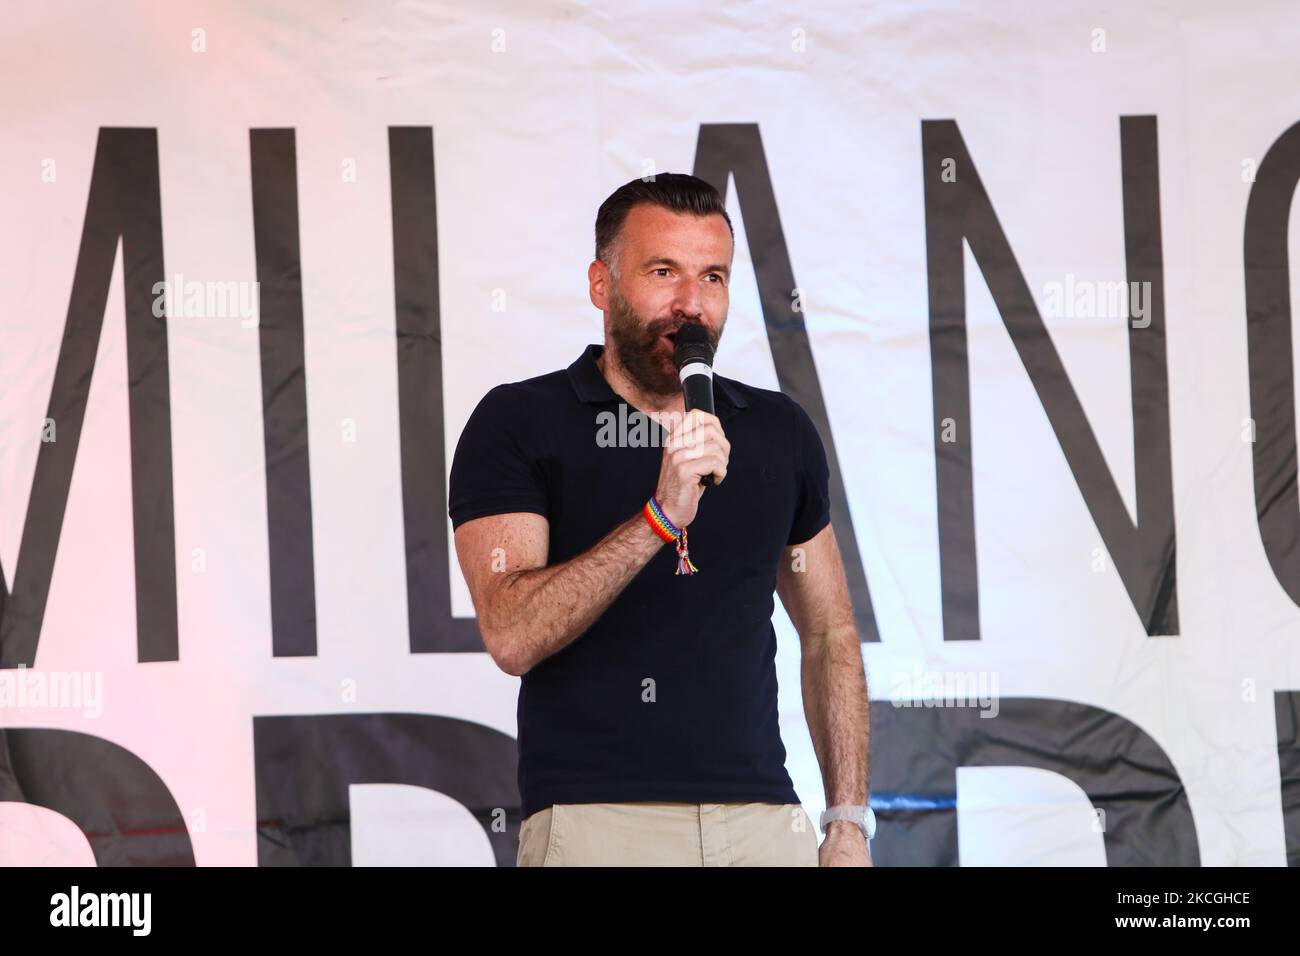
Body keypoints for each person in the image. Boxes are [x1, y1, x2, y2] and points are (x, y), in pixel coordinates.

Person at [448, 173, 872, 866]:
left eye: (713, 277)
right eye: (663, 271)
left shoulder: (776, 431)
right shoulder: (519, 422)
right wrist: (659, 514)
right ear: (600, 284)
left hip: (764, 824)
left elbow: (830, 631)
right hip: (597, 824)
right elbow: (513, 636)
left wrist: (848, 821)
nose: (691, 304)